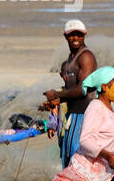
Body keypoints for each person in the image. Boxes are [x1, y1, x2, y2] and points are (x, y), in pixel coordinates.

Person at [41, 19, 98, 169]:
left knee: (77, 157)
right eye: (72, 35)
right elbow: (69, 92)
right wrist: (54, 102)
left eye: (79, 35)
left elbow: (82, 89)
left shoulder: (86, 57)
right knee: (67, 156)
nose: (76, 38)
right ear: (66, 36)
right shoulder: (67, 63)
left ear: (84, 35)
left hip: (85, 114)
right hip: (72, 114)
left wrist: (56, 94)